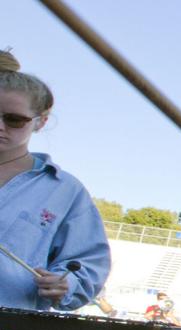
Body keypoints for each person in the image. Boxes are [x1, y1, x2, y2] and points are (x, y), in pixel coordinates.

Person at [0, 51, 109, 314]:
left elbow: (87, 267)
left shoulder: (65, 191)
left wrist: (66, 283)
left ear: (41, 122)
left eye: (14, 120)